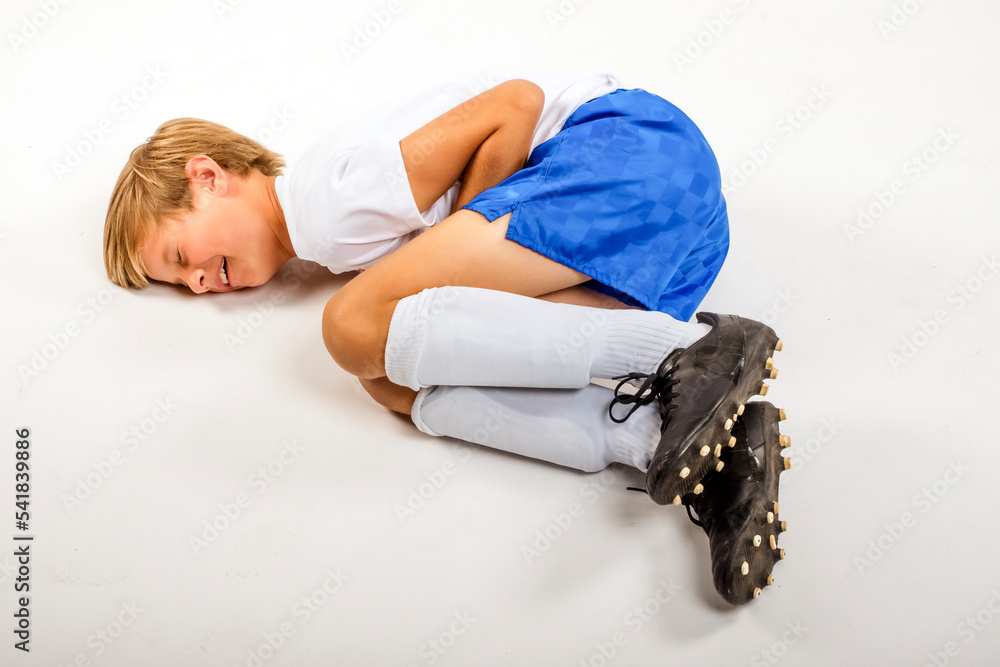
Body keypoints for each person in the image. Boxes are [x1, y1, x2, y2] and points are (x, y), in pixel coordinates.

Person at [103, 72, 790, 605]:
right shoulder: (325, 229)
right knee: (390, 381)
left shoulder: (325, 200)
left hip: (628, 154)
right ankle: (687, 448)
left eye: (179, 256)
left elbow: (515, 103)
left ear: (206, 177)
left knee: (349, 328)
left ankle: (679, 354)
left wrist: (455, 271)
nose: (197, 283)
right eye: (180, 284)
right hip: (674, 231)